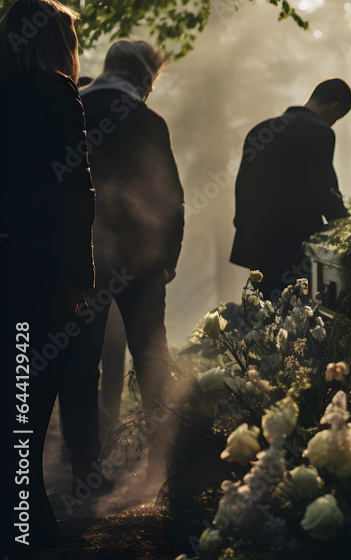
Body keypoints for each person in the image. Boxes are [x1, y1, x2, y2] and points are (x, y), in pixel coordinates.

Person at [0, 0, 95, 551]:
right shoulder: (57, 95)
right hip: (35, 277)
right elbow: (76, 193)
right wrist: (76, 281)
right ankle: (26, 528)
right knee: (26, 406)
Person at [74, 40, 183, 448]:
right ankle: (165, 457)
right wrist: (168, 258)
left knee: (80, 363)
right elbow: (172, 197)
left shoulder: (73, 108)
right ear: (143, 77)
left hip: (80, 257)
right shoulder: (149, 121)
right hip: (142, 259)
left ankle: (84, 463)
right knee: (152, 358)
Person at [231, 79, 351, 299]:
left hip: (257, 247)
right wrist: (346, 225)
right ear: (335, 107)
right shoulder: (320, 132)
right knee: (295, 320)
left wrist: (243, 224)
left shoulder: (261, 129)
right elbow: (324, 189)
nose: (333, 123)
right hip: (294, 248)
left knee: (264, 318)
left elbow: (242, 185)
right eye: (337, 118)